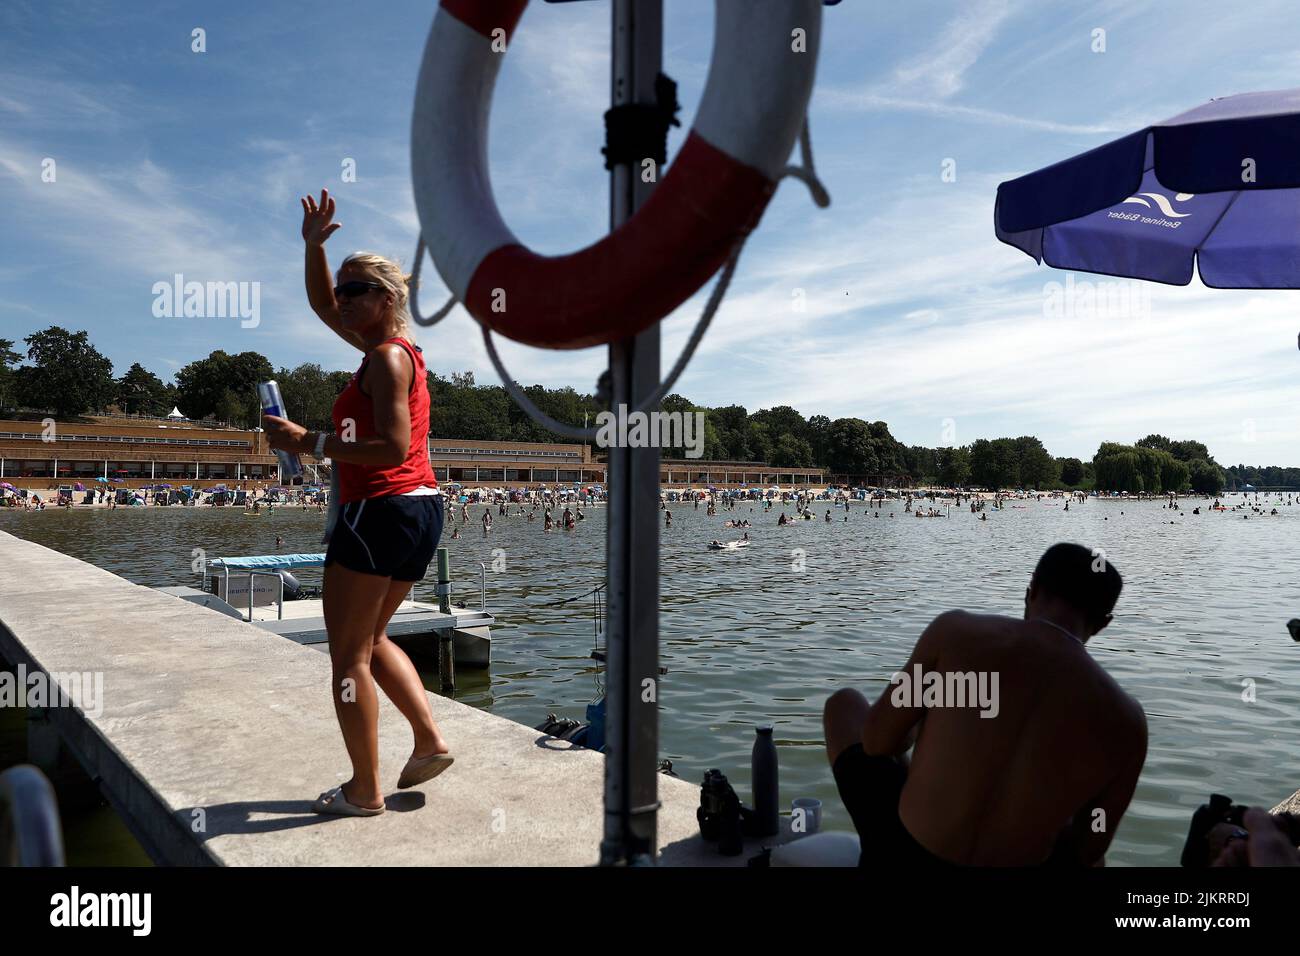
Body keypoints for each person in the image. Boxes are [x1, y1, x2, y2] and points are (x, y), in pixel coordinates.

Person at [262, 189, 452, 818]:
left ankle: (364, 790)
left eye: (356, 291)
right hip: (417, 509)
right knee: (371, 638)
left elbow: (392, 447)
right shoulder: (394, 352)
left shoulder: (386, 360)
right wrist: (315, 249)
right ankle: (427, 740)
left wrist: (308, 441)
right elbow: (319, 302)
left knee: (346, 657)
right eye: (343, 291)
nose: (342, 301)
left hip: (380, 509)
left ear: (389, 299)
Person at [822, 542, 1146, 866]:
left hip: (902, 853)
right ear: (1104, 622)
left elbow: (878, 743)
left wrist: (927, 718)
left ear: (1031, 590)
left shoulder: (955, 632)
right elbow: (1088, 851)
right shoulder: (1128, 720)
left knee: (845, 703)